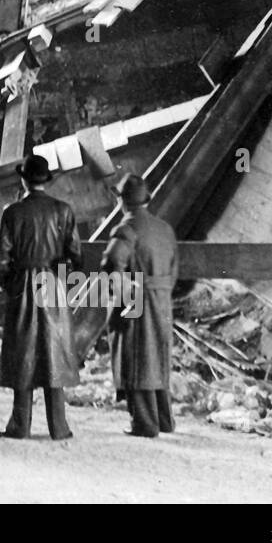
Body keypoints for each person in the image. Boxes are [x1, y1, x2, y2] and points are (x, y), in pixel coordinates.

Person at [0, 154, 82, 440]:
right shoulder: (64, 210)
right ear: (46, 181)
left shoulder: (13, 212)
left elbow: (1, 261)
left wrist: (14, 284)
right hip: (53, 284)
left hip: (23, 285)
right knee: (54, 352)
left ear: (24, 180)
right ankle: (59, 427)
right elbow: (75, 256)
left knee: (23, 354)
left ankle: (20, 426)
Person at [102, 173, 178, 438]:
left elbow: (111, 266)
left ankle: (145, 424)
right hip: (163, 299)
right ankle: (165, 420)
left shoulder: (126, 228)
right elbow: (173, 271)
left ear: (122, 201)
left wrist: (122, 301)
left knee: (136, 357)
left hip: (137, 298)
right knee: (157, 355)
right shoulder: (165, 229)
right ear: (146, 200)